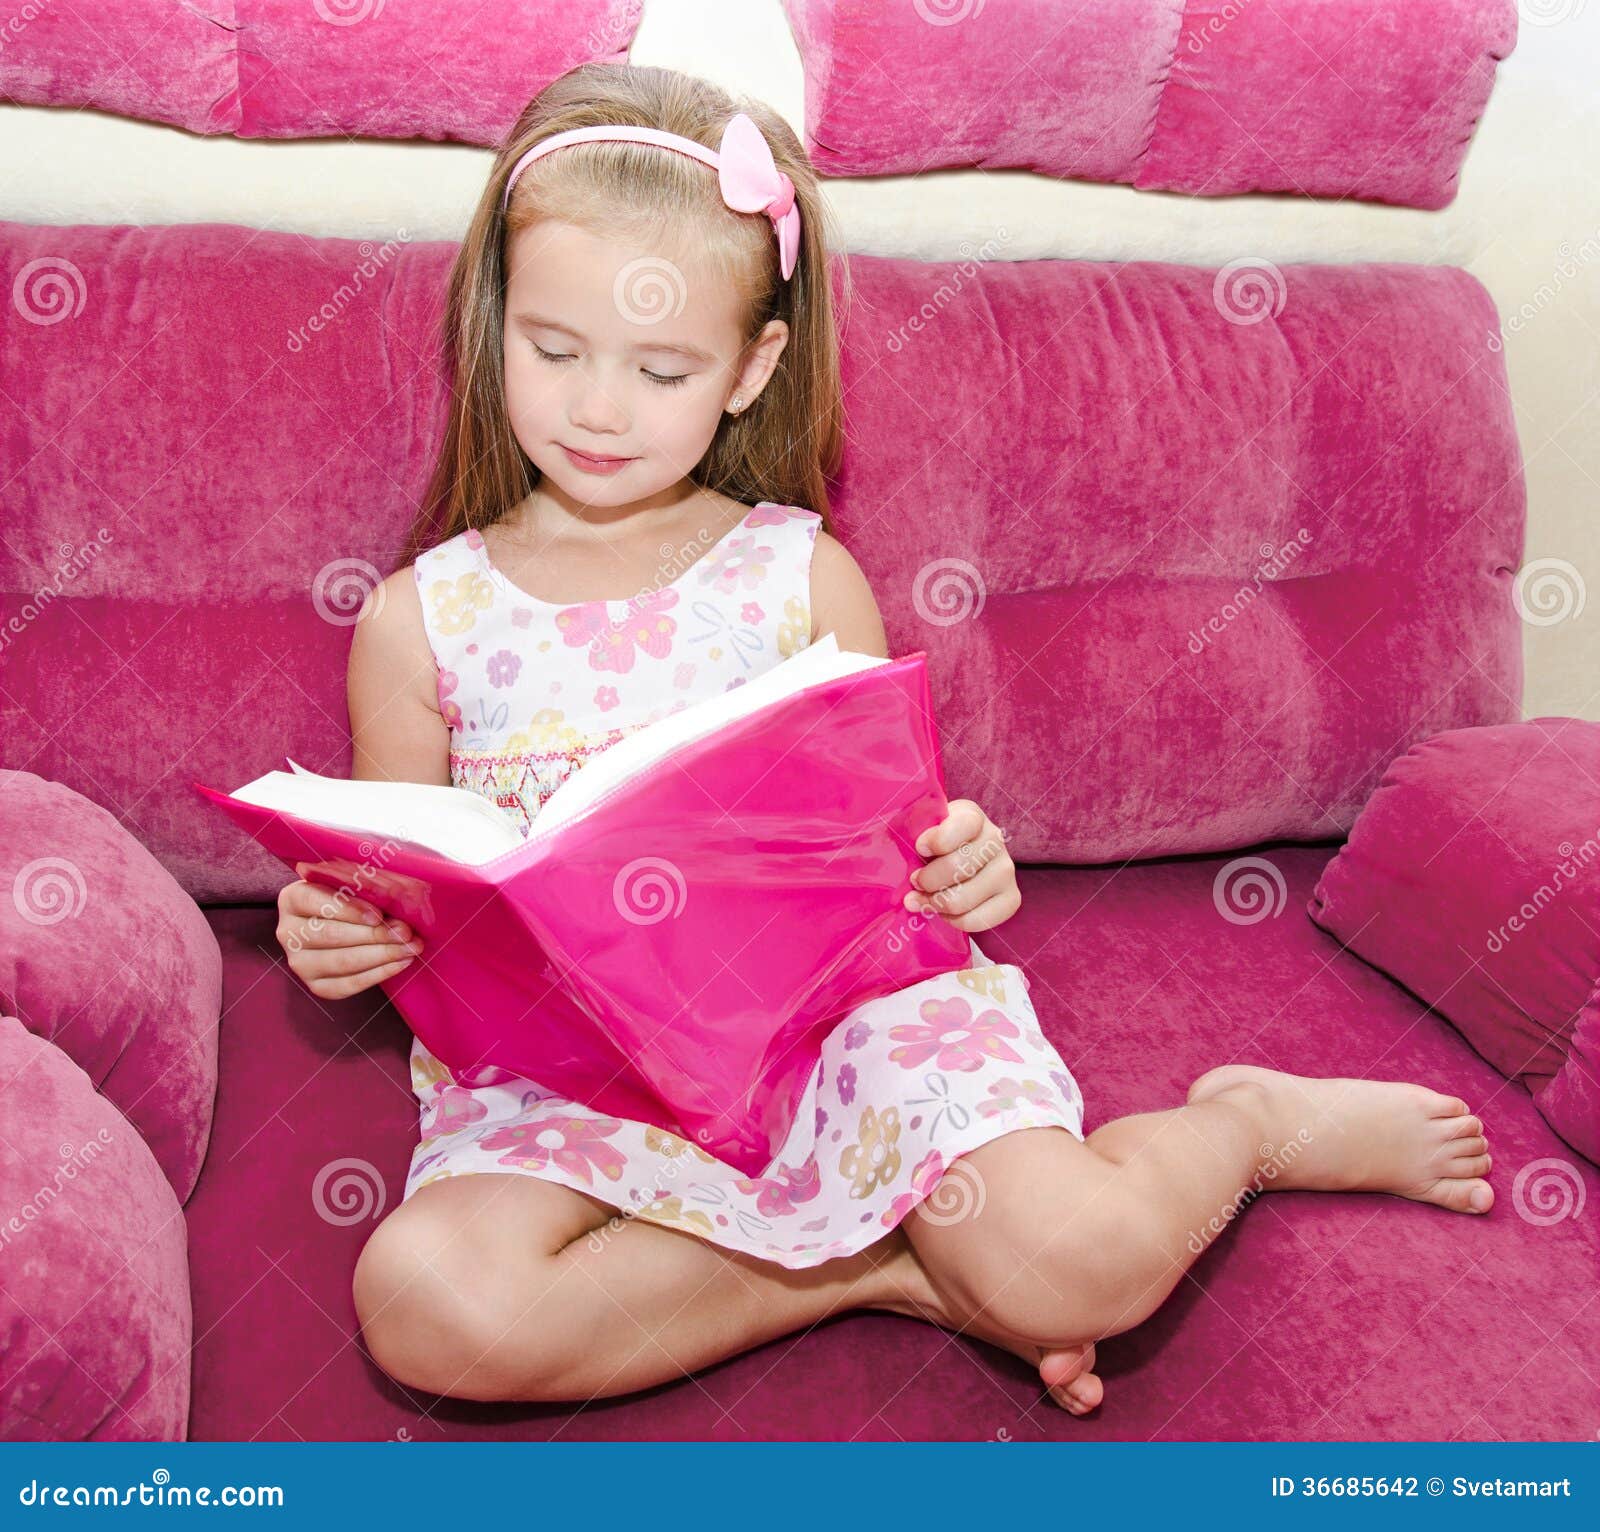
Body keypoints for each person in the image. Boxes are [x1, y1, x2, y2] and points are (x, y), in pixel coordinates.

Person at [273, 63, 1494, 1418]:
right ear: (493, 325)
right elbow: (407, 893)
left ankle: (1246, 1125)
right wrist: (350, 934)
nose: (598, 407)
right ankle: (867, 1266)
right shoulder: (416, 619)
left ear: (751, 370)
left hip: (829, 1033)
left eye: (662, 368)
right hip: (575, 1077)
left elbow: (897, 853)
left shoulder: (797, 575)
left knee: (1078, 1266)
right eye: (555, 350)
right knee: (431, 1307)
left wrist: (963, 862)